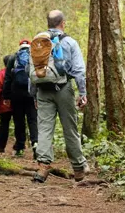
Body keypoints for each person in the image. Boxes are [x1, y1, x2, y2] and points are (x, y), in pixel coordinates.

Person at [30, 10, 88, 183]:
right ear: (62, 23)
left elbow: (31, 70)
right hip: (63, 89)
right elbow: (79, 71)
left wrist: (34, 94)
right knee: (70, 128)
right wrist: (82, 93)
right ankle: (78, 168)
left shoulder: (38, 41)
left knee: (45, 128)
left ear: (48, 23)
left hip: (42, 89)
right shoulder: (69, 42)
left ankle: (42, 167)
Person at [3, 39, 38, 159]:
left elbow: (7, 78)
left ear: (20, 46)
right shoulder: (34, 56)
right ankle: (35, 145)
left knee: (19, 121)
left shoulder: (13, 58)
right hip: (31, 94)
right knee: (33, 120)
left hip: (16, 94)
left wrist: (6, 96)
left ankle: (20, 148)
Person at [0, 55, 24, 155]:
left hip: (4, 104)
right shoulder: (20, 72)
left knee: (4, 124)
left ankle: (1, 147)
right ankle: (19, 147)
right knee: (19, 124)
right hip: (18, 103)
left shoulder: (2, 73)